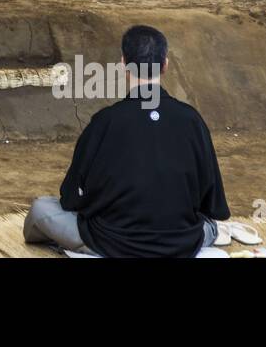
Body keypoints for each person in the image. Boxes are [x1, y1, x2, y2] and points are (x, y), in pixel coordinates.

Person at [24, 25, 230, 257]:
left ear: (123, 64)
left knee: (41, 209)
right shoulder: (192, 120)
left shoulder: (105, 121)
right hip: (180, 243)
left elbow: (71, 199)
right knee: (210, 225)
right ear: (165, 65)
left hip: (113, 244)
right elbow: (214, 207)